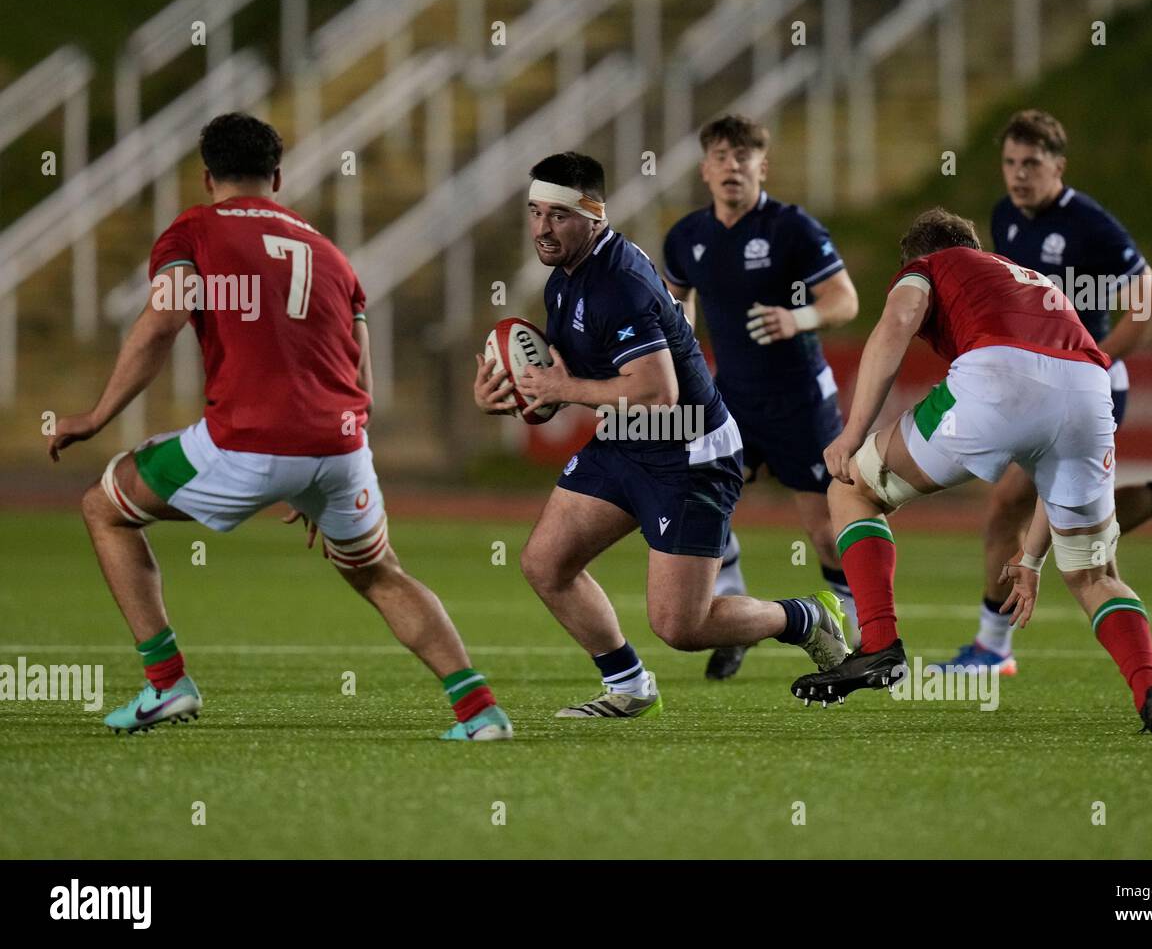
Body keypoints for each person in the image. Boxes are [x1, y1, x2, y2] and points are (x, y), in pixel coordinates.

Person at [48, 113, 512, 741]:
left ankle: (166, 684)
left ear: (207, 176)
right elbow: (363, 384)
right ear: (279, 177)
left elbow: (162, 322)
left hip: (245, 444)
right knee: (380, 574)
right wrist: (313, 480)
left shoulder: (193, 228)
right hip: (342, 445)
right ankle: (480, 712)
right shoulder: (331, 255)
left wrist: (97, 416)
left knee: (105, 506)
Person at [790, 207, 1152, 735]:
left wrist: (852, 431)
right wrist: (1030, 557)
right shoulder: (1022, 279)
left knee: (851, 490)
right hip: (1091, 391)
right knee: (1094, 574)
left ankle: (879, 645)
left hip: (998, 376)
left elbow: (895, 324)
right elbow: (1048, 439)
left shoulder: (931, 265)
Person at [472, 152, 850, 719]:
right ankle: (629, 684)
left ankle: (804, 617)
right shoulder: (565, 280)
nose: (542, 230)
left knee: (681, 626)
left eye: (557, 215)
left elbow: (655, 393)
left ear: (594, 215)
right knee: (545, 564)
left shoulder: (618, 284)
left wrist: (560, 388)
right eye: (534, 213)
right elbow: (569, 386)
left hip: (688, 450)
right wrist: (510, 395)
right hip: (627, 439)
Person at [935, 109, 1152, 676]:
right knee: (1076, 530)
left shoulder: (1090, 225)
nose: (1019, 175)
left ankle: (995, 650)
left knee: (1024, 518)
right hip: (1043, 391)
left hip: (1089, 393)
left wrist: (1094, 359)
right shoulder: (1006, 218)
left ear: (1059, 167)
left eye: (1032, 164)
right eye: (1010, 163)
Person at [662, 114, 861, 680]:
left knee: (824, 528)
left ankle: (848, 628)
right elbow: (678, 303)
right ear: (705, 169)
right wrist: (680, 356)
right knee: (699, 499)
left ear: (762, 167)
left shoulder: (792, 228)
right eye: (721, 156)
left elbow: (844, 301)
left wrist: (797, 316)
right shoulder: (687, 237)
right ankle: (731, 613)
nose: (732, 166)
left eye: (743, 156)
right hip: (732, 402)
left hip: (800, 400)